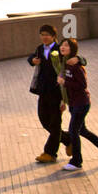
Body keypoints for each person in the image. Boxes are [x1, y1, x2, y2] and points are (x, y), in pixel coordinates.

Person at [56, 37, 98, 171]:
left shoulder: (76, 65)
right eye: (62, 45)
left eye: (66, 45)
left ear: (72, 49)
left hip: (81, 104)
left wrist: (64, 82)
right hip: (73, 103)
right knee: (82, 130)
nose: (63, 47)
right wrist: (63, 100)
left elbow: (82, 85)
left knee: (73, 131)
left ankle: (76, 161)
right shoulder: (65, 62)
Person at [27, 24, 77, 163]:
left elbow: (76, 57)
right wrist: (32, 60)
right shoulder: (40, 49)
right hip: (43, 91)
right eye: (42, 34)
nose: (44, 37)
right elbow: (31, 57)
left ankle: (50, 153)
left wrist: (78, 60)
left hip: (57, 92)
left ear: (54, 36)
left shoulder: (59, 49)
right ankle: (68, 140)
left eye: (47, 34)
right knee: (44, 120)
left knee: (55, 123)